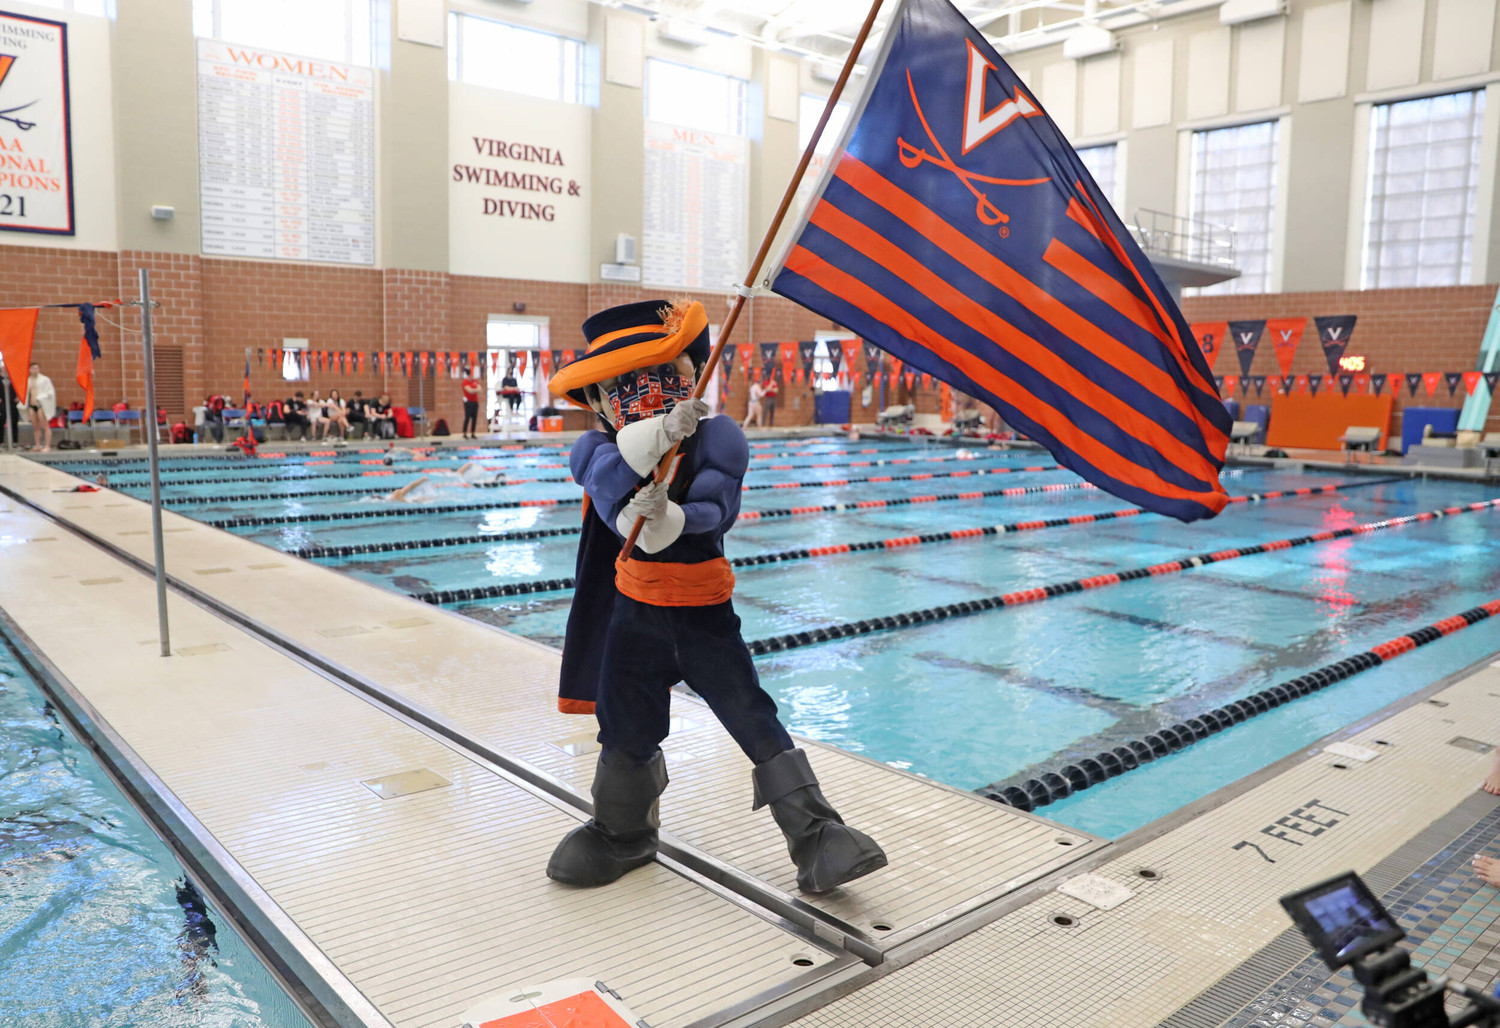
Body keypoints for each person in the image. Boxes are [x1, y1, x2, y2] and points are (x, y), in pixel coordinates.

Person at [542, 298, 886, 893]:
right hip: (633, 615)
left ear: (691, 376)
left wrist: (671, 517)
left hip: (703, 615)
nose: (645, 390)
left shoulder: (720, 435)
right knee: (623, 725)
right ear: (596, 400)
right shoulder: (591, 448)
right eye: (625, 383)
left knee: (751, 715)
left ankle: (818, 835)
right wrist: (651, 456)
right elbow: (610, 495)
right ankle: (622, 832)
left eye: (664, 375)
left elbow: (715, 507)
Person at [26, 362, 55, 452]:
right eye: (33, 368)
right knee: (36, 427)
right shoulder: (28, 380)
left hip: (41, 405)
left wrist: (40, 397)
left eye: (36, 368)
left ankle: (47, 446)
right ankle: (37, 445)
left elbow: (50, 393)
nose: (35, 370)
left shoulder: (44, 380)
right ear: (30, 370)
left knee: (45, 426)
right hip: (32, 405)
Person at [461, 368, 482, 439]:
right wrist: (475, 390)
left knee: (474, 418)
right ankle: (464, 433)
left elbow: (480, 389)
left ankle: (473, 433)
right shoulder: (465, 382)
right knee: (467, 418)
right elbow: (469, 391)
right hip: (468, 402)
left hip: (475, 402)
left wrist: (473, 390)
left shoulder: (475, 381)